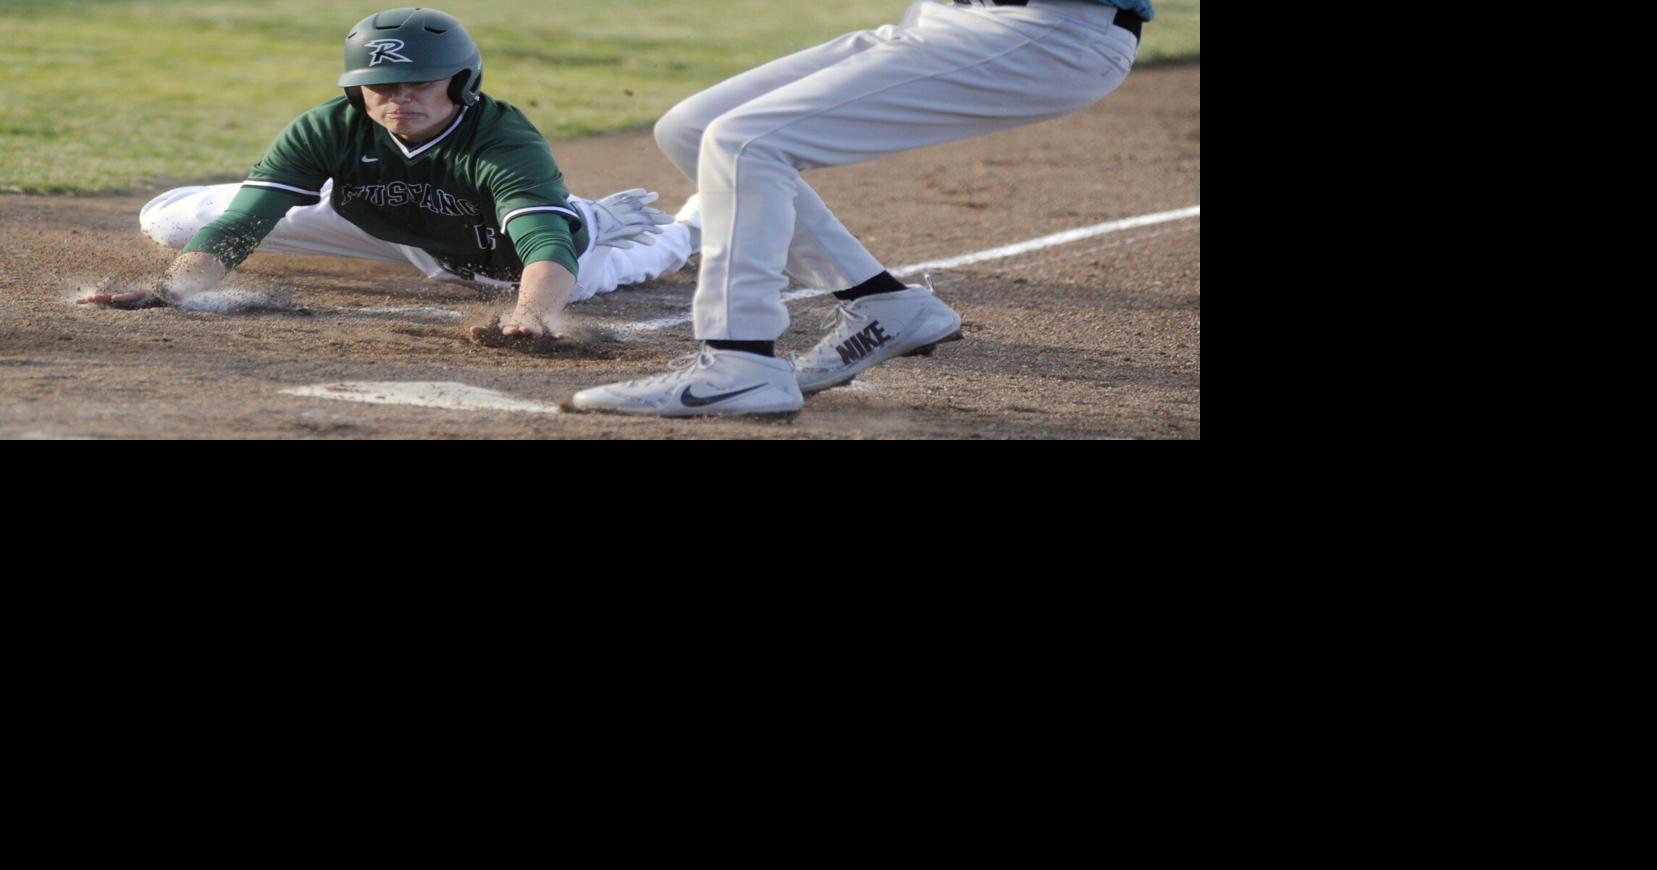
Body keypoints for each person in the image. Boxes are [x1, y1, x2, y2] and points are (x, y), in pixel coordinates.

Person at [568, 0, 1152, 417]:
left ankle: (738, 361)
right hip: (949, 19)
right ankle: (881, 302)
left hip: (1047, 28)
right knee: (692, 128)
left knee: (745, 142)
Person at [79, 7, 695, 342]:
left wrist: (531, 313)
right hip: (387, 225)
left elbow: (545, 247)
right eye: (380, 85)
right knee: (169, 220)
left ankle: (654, 222)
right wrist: (177, 289)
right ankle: (564, 207)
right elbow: (248, 219)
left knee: (622, 257)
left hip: (501, 252)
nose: (399, 98)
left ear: (460, 84)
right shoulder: (329, 125)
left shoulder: (502, 139)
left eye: (420, 83)